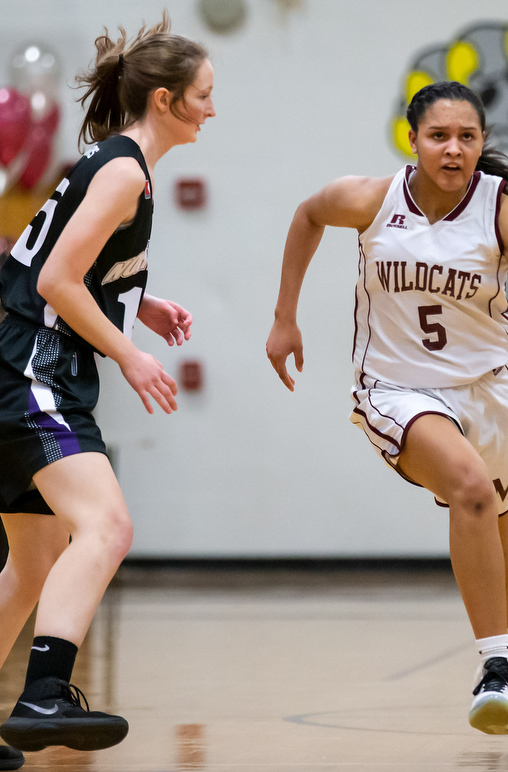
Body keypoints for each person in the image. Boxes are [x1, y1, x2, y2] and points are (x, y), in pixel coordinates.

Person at [266, 81, 508, 735]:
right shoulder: (369, 199)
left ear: (482, 144)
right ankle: (495, 669)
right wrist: (285, 317)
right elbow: (307, 216)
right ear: (413, 141)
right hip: (396, 390)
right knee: (470, 490)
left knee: (500, 535)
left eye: (467, 137)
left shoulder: (503, 214)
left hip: (488, 393)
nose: (453, 149)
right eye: (439, 136)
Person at [0, 14, 213, 761]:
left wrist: (136, 299)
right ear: (165, 101)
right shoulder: (123, 170)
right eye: (204, 95)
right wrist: (131, 353)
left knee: (32, 564)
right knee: (109, 528)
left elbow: (55, 259)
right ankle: (44, 695)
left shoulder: (113, 163)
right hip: (34, 369)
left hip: (17, 361)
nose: (213, 110)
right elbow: (57, 277)